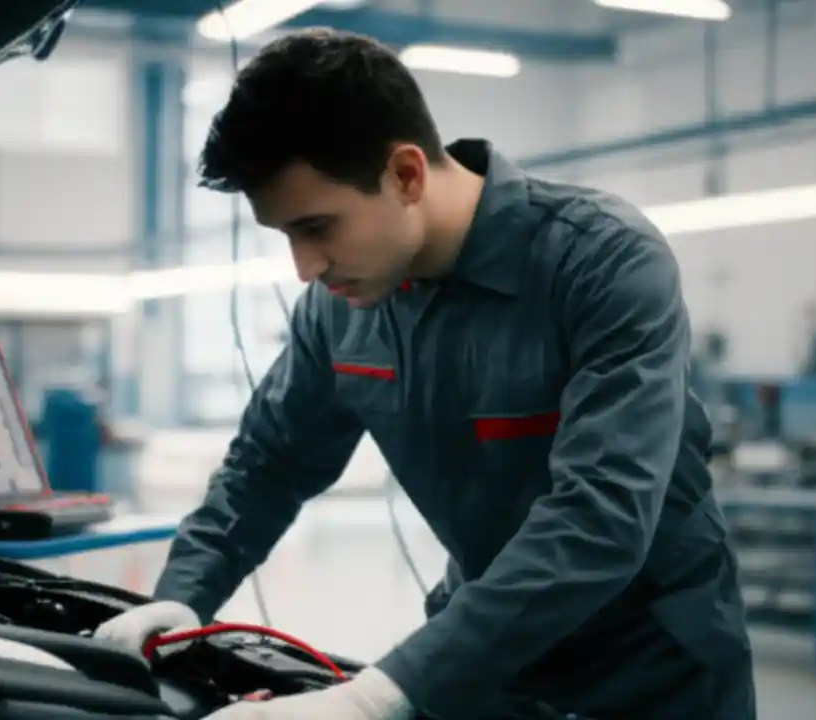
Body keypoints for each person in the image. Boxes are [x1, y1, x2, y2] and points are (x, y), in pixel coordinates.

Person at [95, 28, 755, 720]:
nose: (305, 268)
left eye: (317, 227)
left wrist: (374, 698)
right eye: (286, 235)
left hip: (653, 671)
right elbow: (268, 464)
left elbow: (600, 518)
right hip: (480, 661)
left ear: (406, 175)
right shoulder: (339, 309)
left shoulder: (602, 263)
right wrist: (182, 596)